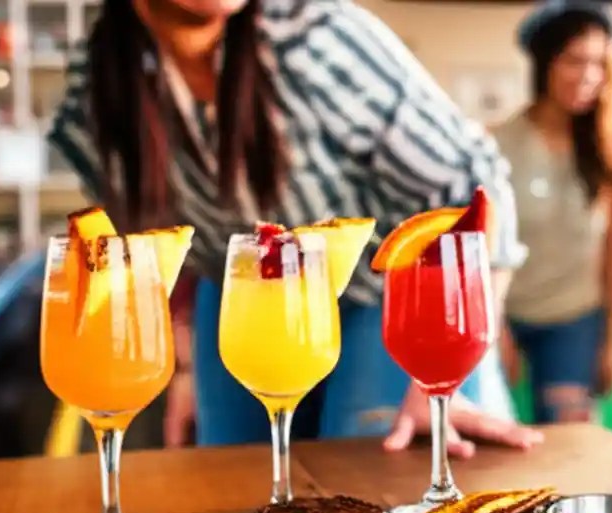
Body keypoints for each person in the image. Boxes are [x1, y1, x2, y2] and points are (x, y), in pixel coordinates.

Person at [47, 0, 542, 458]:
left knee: (373, 474)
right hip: (242, 296)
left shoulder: (311, 34)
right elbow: (151, 243)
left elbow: (472, 184)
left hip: (385, 295)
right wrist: (185, 367)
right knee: (238, 489)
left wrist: (443, 375)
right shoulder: (94, 88)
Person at [495, 0, 612, 424]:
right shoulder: (497, 143)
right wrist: (494, 333)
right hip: (505, 315)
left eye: (598, 63)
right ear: (544, 63)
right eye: (574, 60)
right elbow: (479, 251)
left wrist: (609, 340)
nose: (588, 76)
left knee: (570, 446)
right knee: (487, 449)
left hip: (573, 318)